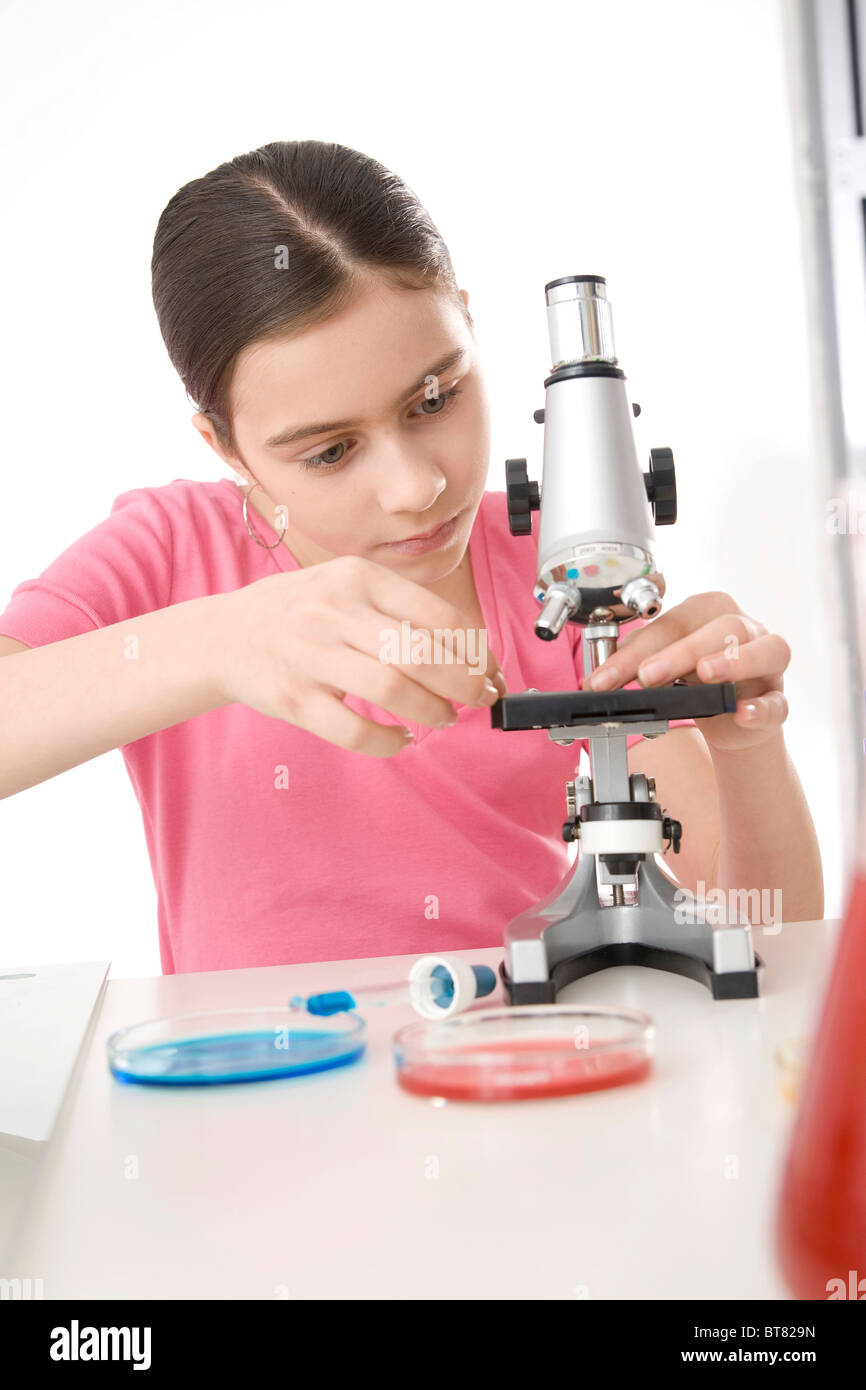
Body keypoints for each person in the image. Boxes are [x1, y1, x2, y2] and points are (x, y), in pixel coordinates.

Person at [0, 140, 823, 973]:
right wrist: (225, 643)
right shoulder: (170, 551)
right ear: (228, 449)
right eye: (329, 452)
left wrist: (749, 745)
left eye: (435, 399)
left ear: (467, 323)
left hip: (519, 1064)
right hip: (255, 1087)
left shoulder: (562, 571)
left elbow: (763, 941)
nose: (417, 488)